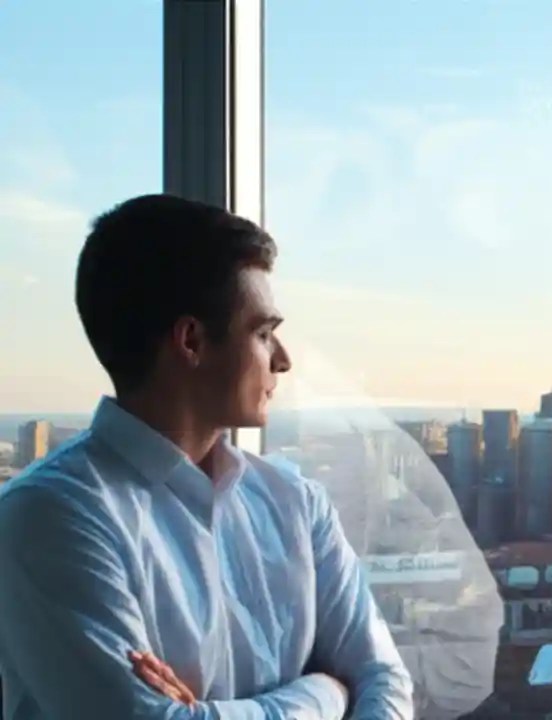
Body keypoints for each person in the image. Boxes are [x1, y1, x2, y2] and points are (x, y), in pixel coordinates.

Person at [0, 195, 414, 718]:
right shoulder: (51, 517)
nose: (282, 360)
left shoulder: (296, 503)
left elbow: (383, 679)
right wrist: (324, 693)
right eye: (263, 333)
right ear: (191, 341)